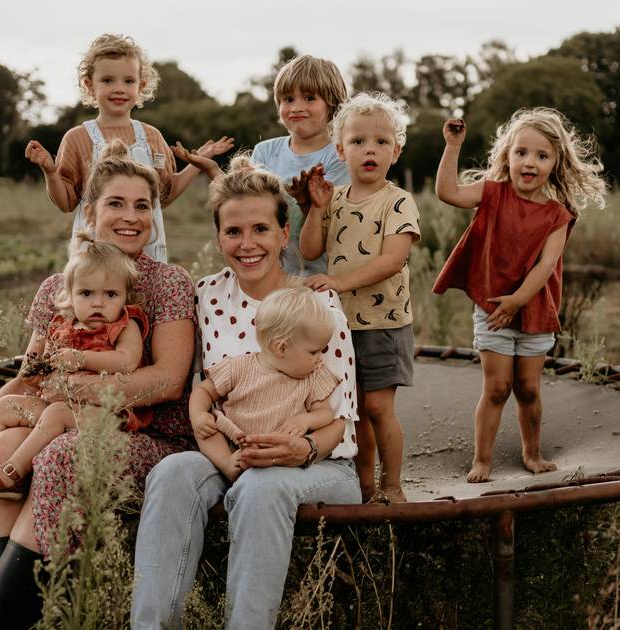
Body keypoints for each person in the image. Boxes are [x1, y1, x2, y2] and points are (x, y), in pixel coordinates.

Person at [0, 139, 209, 629]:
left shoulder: (168, 283)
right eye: (116, 203)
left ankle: (6, 619)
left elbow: (165, 382)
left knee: (61, 453)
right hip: (66, 419)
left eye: (143, 205)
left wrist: (73, 387)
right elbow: (31, 376)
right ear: (89, 214)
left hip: (148, 434)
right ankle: (7, 605)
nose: (131, 216)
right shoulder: (60, 286)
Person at [132, 157, 360, 629]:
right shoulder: (208, 296)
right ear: (218, 238)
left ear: (284, 234)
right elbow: (202, 393)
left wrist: (302, 448)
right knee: (173, 472)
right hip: (229, 450)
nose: (247, 243)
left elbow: (342, 417)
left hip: (318, 462)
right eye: (233, 232)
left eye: (261, 228)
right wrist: (223, 457)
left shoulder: (319, 304)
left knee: (262, 485)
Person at [431, 108, 608, 483]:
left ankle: (532, 453)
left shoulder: (558, 215)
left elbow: (546, 266)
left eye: (542, 156)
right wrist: (452, 146)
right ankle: (482, 459)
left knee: (528, 388)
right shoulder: (492, 194)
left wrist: (517, 301)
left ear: (556, 163)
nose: (530, 162)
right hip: (494, 308)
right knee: (496, 387)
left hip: (534, 309)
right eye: (522, 153)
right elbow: (447, 192)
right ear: (507, 156)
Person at [0, 233, 148, 501]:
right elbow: (39, 373)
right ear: (70, 296)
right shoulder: (62, 327)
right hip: (58, 406)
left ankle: (11, 474)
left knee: (58, 413)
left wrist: (82, 359)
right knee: (9, 406)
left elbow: (127, 360)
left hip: (108, 414)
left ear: (125, 298)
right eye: (86, 293)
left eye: (111, 294)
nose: (98, 303)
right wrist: (41, 371)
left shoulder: (123, 325)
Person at [297, 92, 420, 504]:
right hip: (342, 327)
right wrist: (315, 209)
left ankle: (393, 486)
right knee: (356, 415)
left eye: (382, 142)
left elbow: (390, 260)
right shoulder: (334, 200)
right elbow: (310, 249)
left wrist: (338, 282)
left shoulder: (398, 201)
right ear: (340, 149)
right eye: (359, 141)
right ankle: (365, 489)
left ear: (396, 151)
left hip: (383, 324)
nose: (371, 149)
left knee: (380, 408)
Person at [23, 33, 233, 261]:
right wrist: (50, 172)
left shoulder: (152, 137)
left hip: (146, 249)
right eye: (108, 80)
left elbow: (163, 195)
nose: (119, 89)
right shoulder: (77, 138)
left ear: (141, 86)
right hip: (96, 253)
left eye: (129, 81)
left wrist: (197, 163)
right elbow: (65, 203)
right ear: (89, 85)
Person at [191, 285, 340, 481]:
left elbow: (325, 413)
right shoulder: (238, 368)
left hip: (278, 451)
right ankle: (227, 464)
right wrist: (198, 415)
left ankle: (259, 474)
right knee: (210, 429)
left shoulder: (312, 376)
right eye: (314, 352)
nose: (320, 358)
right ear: (281, 348)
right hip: (232, 440)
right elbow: (204, 391)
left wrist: (305, 420)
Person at [250, 54, 350, 275]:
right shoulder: (264, 151)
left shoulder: (340, 156)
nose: (296, 107)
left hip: (320, 278)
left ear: (331, 104)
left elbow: (330, 219)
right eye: (288, 99)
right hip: (269, 276)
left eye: (309, 98)